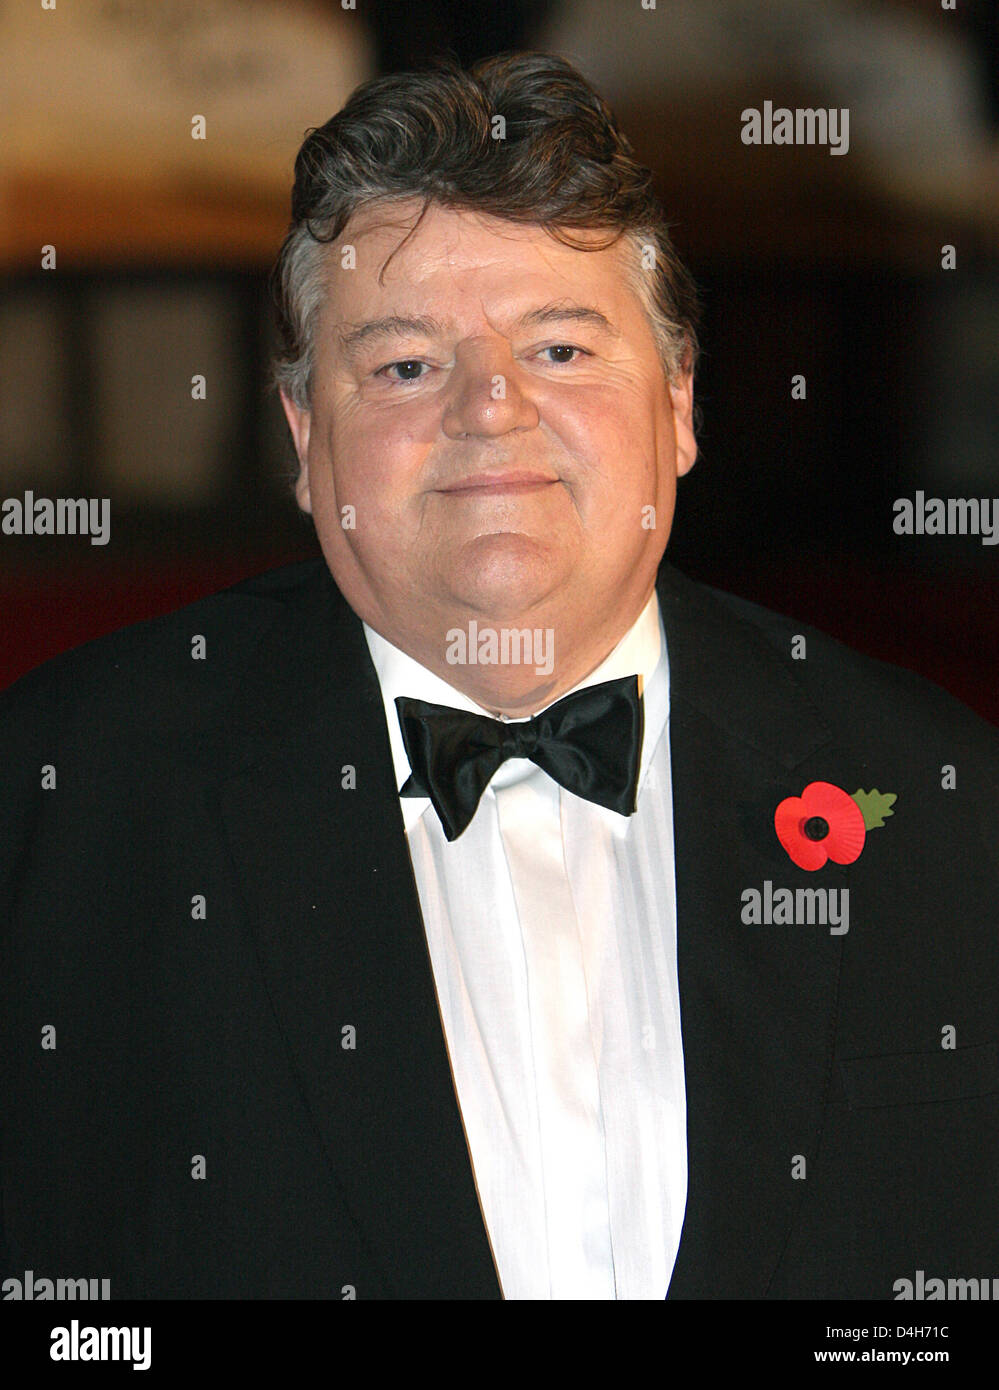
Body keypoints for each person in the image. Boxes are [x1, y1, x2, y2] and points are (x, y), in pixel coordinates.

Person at [2, 52, 997, 1302]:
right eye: (406, 365)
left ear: (680, 400)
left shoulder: (944, 797)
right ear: (308, 438)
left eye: (564, 349)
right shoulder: (56, 808)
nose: (492, 410)